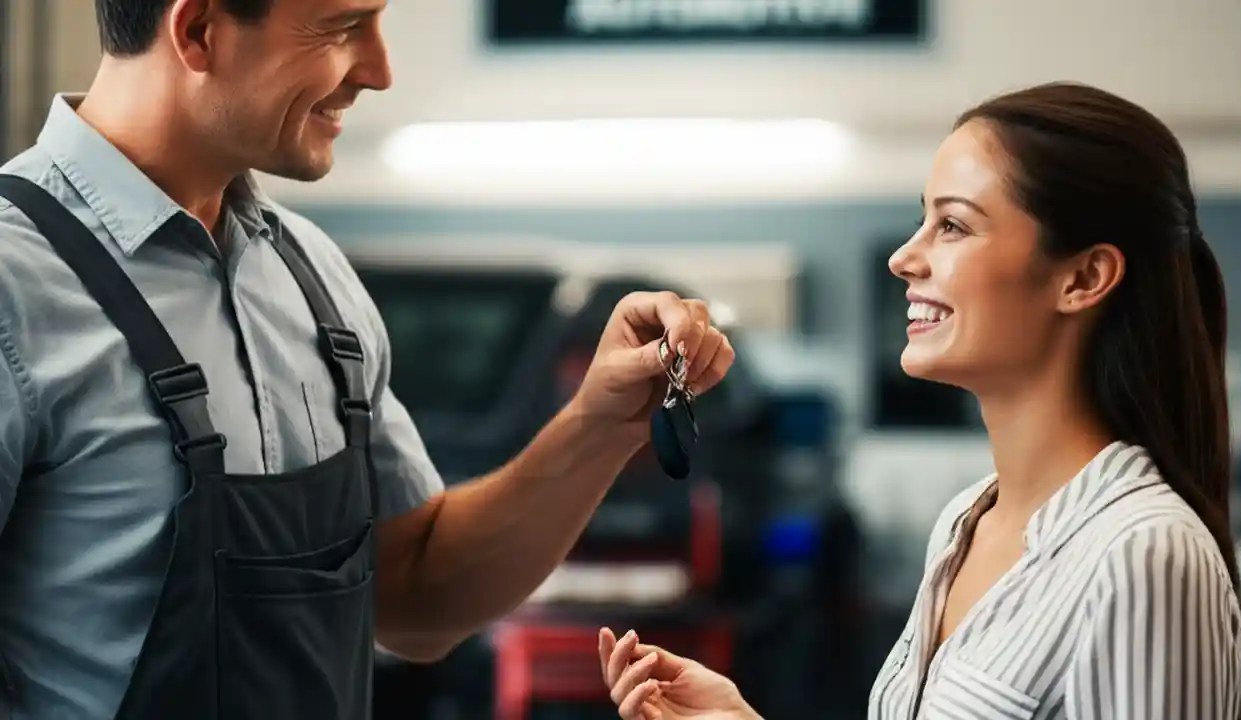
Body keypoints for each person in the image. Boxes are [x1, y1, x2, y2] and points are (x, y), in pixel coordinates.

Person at [0, 1, 735, 718]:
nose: (380, 72)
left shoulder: (311, 277)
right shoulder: (15, 286)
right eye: (345, 27)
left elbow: (418, 597)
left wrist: (600, 423)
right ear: (199, 31)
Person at [598, 81, 1241, 719]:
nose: (905, 258)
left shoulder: (1145, 555)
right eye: (922, 221)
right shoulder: (964, 525)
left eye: (953, 226)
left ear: (1082, 277)